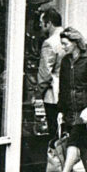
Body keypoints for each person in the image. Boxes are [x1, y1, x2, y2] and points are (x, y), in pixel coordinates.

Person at [46, 28, 87, 172]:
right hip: (70, 108)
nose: (63, 47)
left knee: (73, 142)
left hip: (84, 110)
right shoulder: (65, 61)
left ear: (76, 42)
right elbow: (63, 86)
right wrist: (61, 109)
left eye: (65, 44)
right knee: (83, 146)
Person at [35, 8, 65, 146]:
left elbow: (45, 73)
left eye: (42, 22)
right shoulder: (69, 39)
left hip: (53, 93)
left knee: (53, 130)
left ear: (49, 23)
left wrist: (38, 93)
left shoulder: (49, 43)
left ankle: (56, 161)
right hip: (68, 91)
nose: (40, 26)